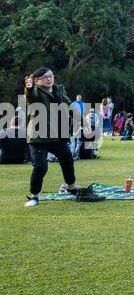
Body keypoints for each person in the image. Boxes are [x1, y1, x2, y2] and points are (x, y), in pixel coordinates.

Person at [22, 68, 81, 207]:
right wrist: (29, 88)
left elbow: (70, 105)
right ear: (37, 80)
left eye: (51, 75)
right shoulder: (35, 91)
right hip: (38, 136)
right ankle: (34, 196)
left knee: (67, 160)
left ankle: (71, 187)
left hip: (57, 135)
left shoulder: (59, 90)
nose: (49, 78)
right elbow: (31, 97)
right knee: (41, 167)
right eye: (45, 77)